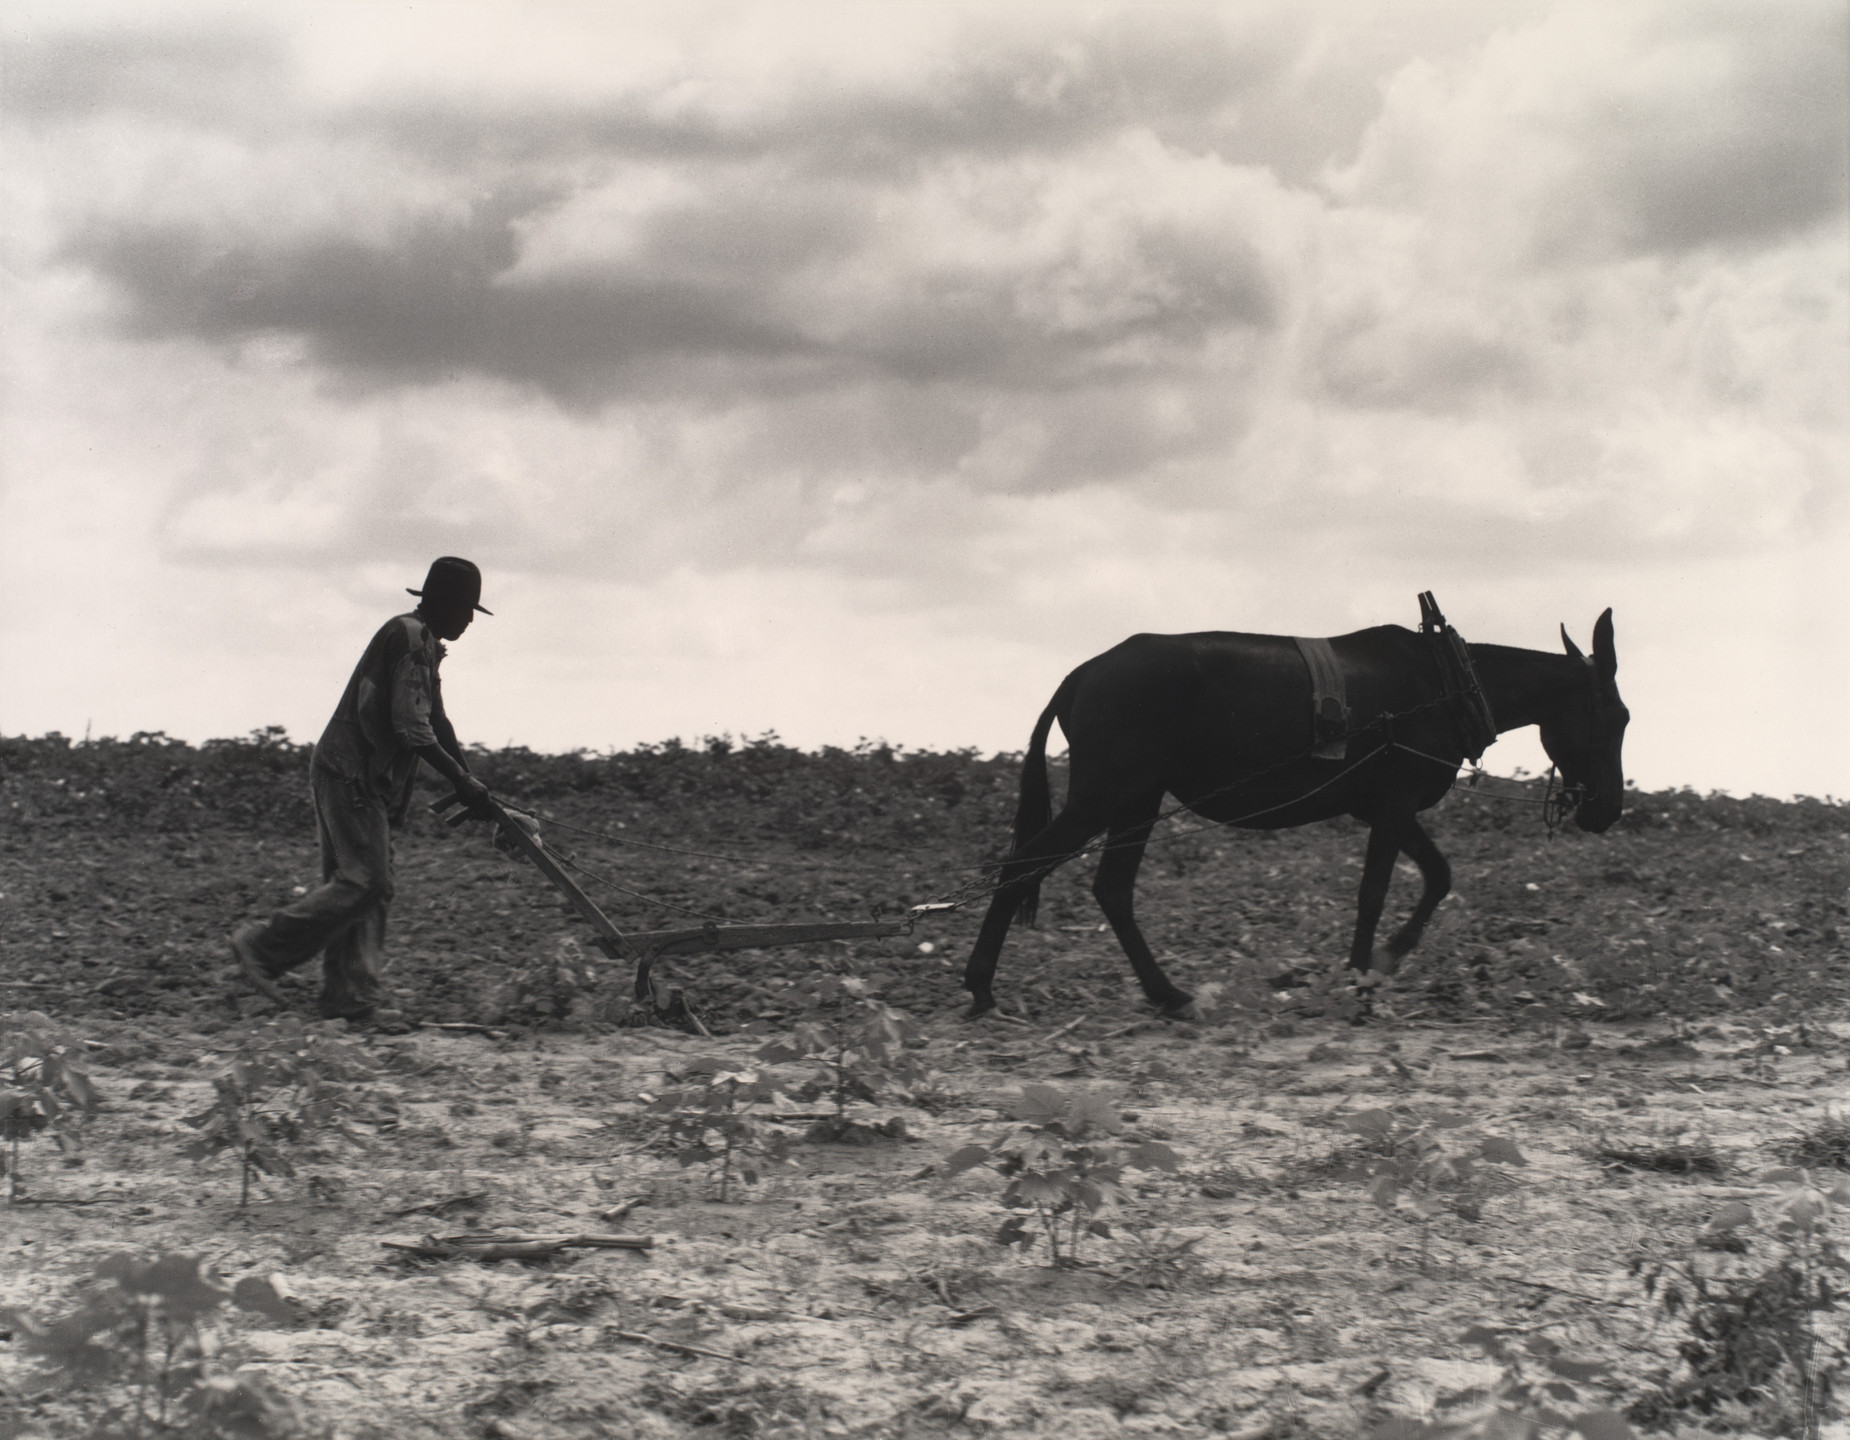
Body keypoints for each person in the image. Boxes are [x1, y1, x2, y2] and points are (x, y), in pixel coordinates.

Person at [230, 557, 496, 1030]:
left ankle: (348, 998)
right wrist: (462, 782)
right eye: (466, 608)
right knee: (366, 881)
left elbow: (437, 721)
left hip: (356, 772)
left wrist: (470, 781)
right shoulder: (410, 638)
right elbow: (412, 728)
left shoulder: (424, 644)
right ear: (443, 603)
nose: (471, 620)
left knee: (369, 885)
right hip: (351, 771)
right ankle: (262, 947)